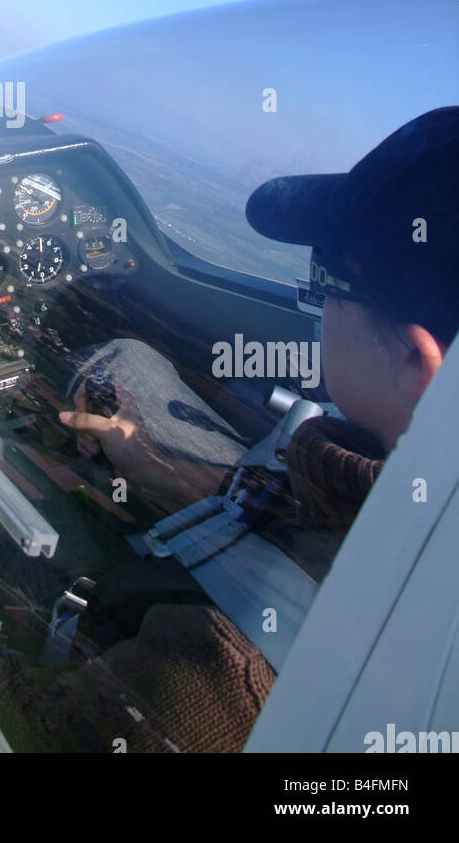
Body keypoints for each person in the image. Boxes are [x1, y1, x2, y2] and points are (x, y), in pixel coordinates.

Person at [57, 106, 459, 752]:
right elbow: (319, 529)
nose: (319, 310)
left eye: (321, 284)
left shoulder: (212, 679)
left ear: (414, 357)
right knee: (127, 363)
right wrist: (167, 475)